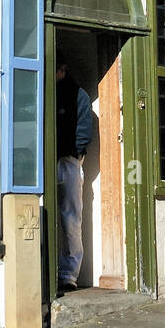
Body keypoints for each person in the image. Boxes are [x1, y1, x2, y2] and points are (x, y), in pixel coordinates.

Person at [55, 62, 93, 293]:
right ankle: (64, 272)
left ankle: (69, 273)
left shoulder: (79, 95)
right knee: (68, 215)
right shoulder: (67, 92)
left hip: (68, 159)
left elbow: (83, 131)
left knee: (71, 216)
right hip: (60, 157)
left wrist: (74, 152)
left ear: (62, 69)